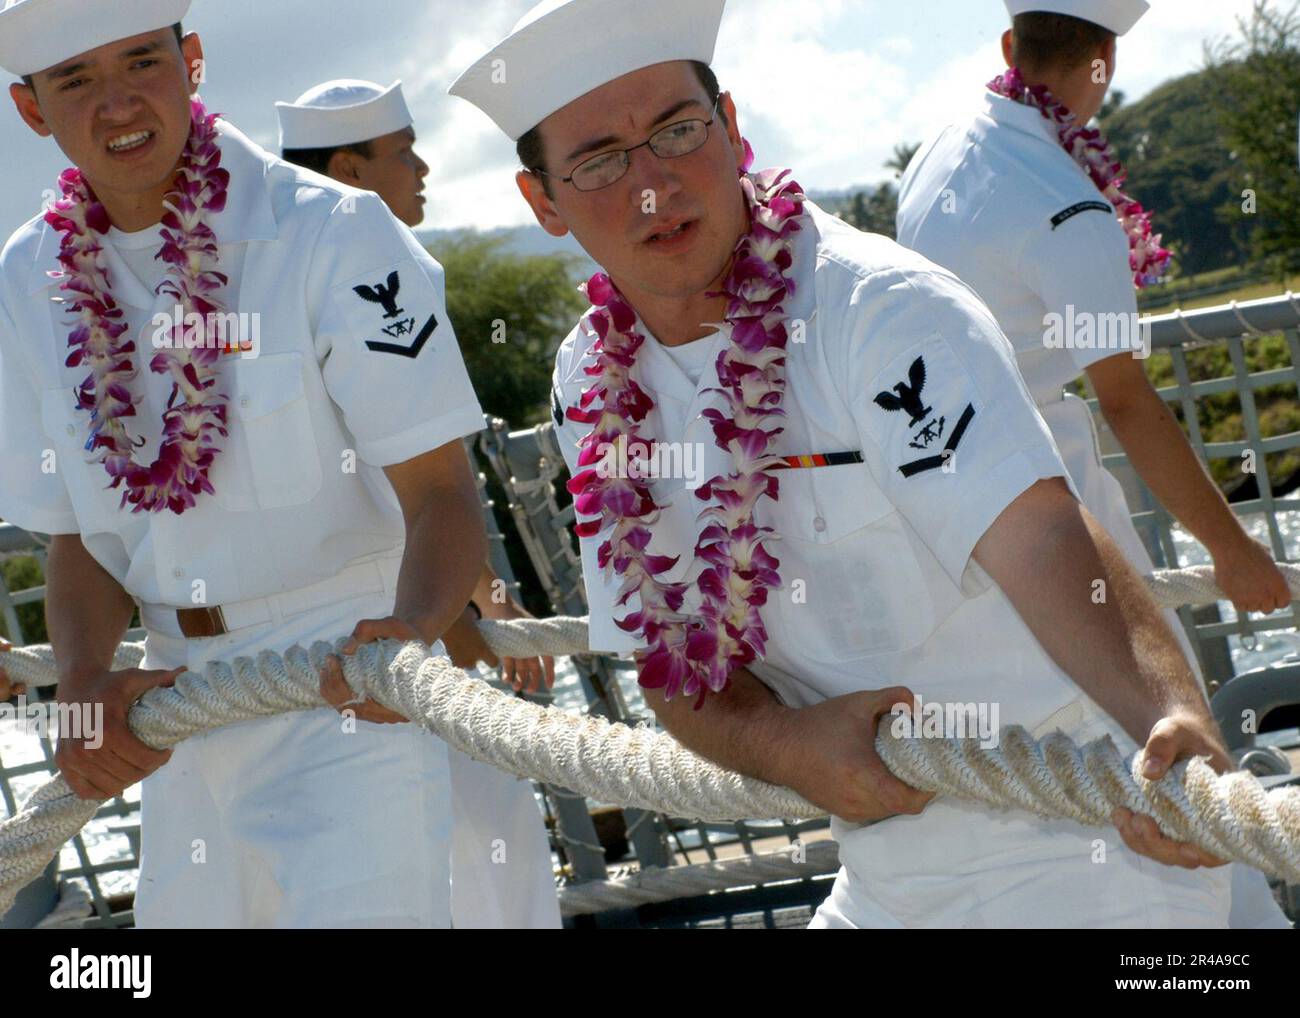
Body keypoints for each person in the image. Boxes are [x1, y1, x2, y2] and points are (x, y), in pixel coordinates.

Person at [451, 0, 1248, 928]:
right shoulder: (590, 377)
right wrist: (786, 744)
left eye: (677, 130)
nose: (653, 186)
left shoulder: (882, 310)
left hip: (1098, 834)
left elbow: (1044, 537)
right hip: (883, 868)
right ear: (541, 201)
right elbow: (662, 653)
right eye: (599, 159)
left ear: (733, 127)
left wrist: (1170, 716)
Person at [0, 0, 487, 928]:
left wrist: (412, 635)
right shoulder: (25, 280)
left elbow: (443, 496)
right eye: (75, 81)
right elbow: (72, 539)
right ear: (33, 111)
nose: (117, 103)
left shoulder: (336, 233)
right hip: (171, 711)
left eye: (142, 62)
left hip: (347, 686)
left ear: (192, 63)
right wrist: (82, 685)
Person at [895, 0, 1290, 928]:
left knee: (1057, 774)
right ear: (1105, 62)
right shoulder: (1071, 207)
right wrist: (1234, 554)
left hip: (943, 504)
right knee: (1161, 745)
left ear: (1008, 49)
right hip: (1058, 507)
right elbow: (1127, 402)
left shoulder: (940, 153)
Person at [275, 78, 560, 929]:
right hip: (393, 632)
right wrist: (485, 595)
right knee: (490, 850)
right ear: (352, 171)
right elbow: (412, 486)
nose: (425, 166)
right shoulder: (383, 264)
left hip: (364, 631)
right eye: (405, 153)